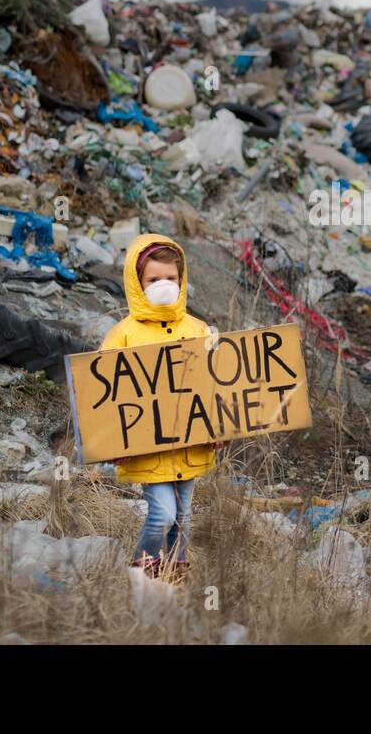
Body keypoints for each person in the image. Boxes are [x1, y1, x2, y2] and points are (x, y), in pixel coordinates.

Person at [99, 233, 221, 577]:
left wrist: (219, 426)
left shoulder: (199, 330)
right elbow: (104, 392)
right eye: (154, 280)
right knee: (163, 514)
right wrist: (112, 440)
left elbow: (216, 385)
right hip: (147, 449)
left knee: (182, 517)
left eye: (171, 278)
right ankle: (139, 572)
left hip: (190, 446)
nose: (164, 285)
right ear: (138, 284)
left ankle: (173, 573)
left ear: (182, 281)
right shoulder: (123, 334)